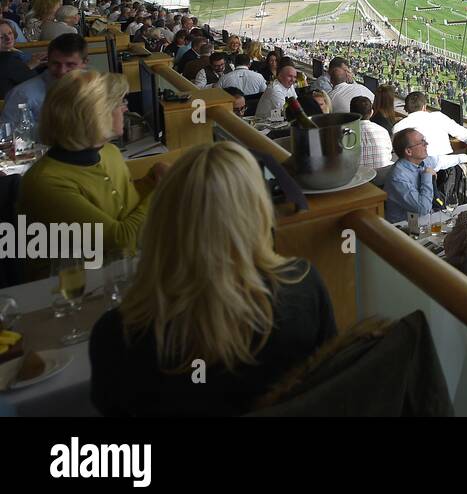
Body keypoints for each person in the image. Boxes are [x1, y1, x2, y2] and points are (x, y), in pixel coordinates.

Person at [89, 141, 337, 416]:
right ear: (258, 212)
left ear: (162, 217)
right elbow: (331, 386)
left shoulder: (116, 335)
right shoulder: (302, 286)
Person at [16, 70, 164, 280]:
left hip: (118, 275)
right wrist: (162, 190)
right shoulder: (45, 183)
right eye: (118, 103)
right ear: (95, 116)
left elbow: (123, 207)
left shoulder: (108, 152)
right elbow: (120, 243)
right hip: (66, 295)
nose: (125, 108)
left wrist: (151, 180)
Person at [0, 32, 88, 139]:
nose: (62, 71)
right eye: (56, 64)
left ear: (84, 63)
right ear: (48, 62)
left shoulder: (94, 88)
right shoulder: (23, 94)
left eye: (70, 65)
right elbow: (7, 137)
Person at [392, 91, 467, 162]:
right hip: (444, 167)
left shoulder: (397, 127)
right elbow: (465, 135)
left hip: (415, 169)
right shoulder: (438, 117)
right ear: (424, 106)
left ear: (406, 108)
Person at [385, 129, 441, 223]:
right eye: (422, 142)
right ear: (408, 151)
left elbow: (440, 160)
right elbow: (423, 209)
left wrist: (464, 158)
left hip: (424, 222)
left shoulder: (422, 162)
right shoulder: (398, 177)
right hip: (404, 229)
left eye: (424, 140)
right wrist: (427, 176)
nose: (426, 144)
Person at [351, 96, 394, 172]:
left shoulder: (345, 134)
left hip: (358, 178)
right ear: (371, 112)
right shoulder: (383, 131)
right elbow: (389, 154)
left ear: (351, 113)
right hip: (382, 176)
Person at [254, 58, 300, 123]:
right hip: (264, 126)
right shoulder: (275, 90)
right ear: (280, 76)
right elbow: (286, 114)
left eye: (295, 77)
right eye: (290, 76)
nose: (293, 80)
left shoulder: (289, 85)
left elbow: (296, 105)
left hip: (277, 121)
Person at [0, 18, 36, 98]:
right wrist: (30, 65)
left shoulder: (10, 53)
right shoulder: (8, 59)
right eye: (1, 37)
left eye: (10, 33)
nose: (8, 38)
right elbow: (33, 80)